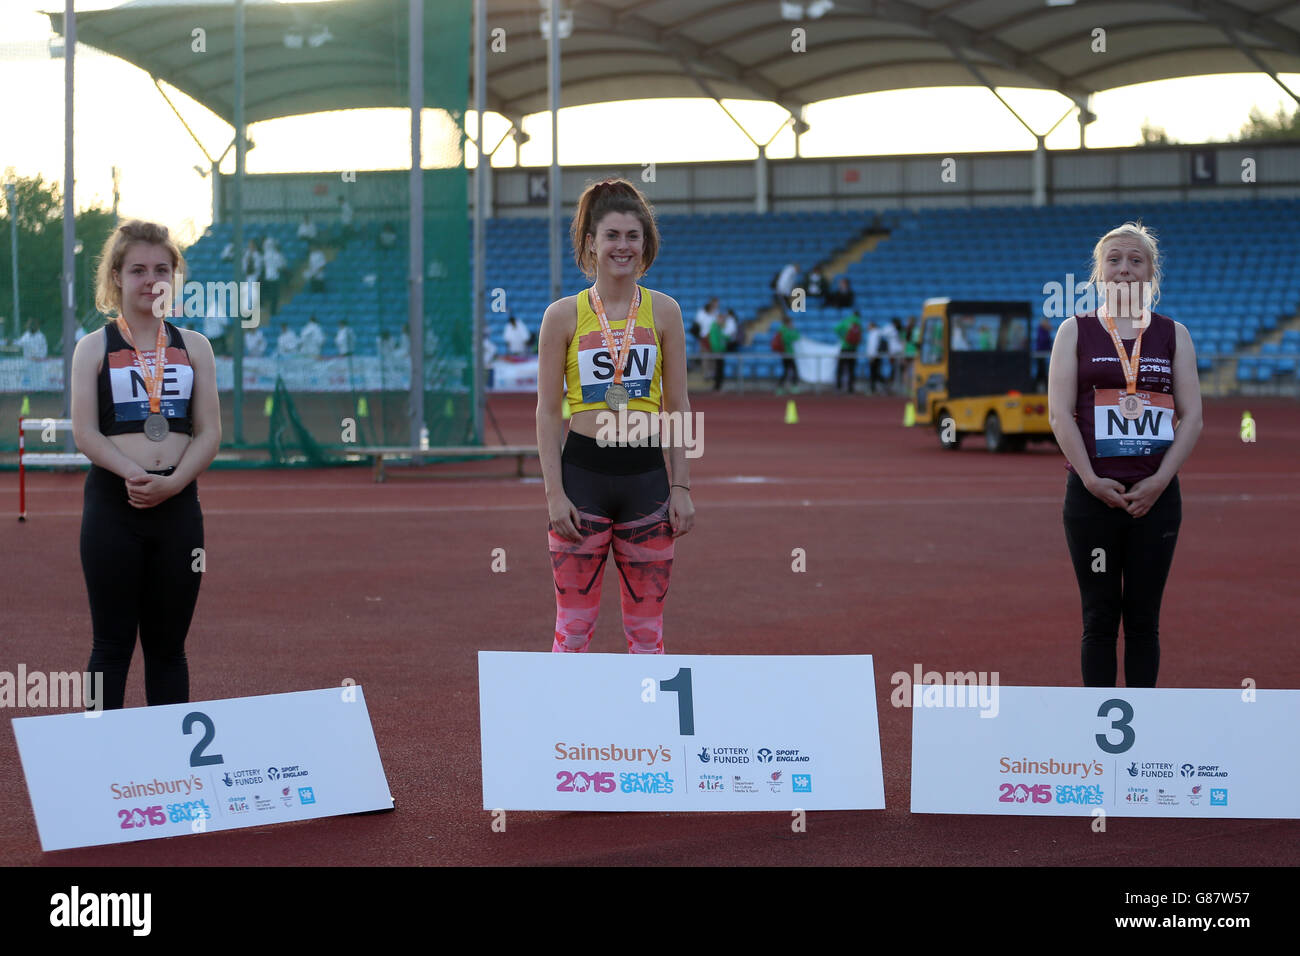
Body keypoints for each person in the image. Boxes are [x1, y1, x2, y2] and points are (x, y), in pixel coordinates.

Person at [536, 177, 693, 654]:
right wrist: (554, 495)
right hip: (582, 477)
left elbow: (678, 404)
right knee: (573, 630)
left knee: (647, 636)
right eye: (612, 236)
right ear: (591, 243)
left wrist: (682, 487)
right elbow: (546, 411)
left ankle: (645, 730)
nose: (622, 247)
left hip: (647, 480)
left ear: (646, 244)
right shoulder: (562, 316)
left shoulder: (665, 312)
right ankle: (563, 729)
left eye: (633, 236)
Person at [70, 220, 220, 710]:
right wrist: (131, 474)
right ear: (116, 276)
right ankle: (98, 762)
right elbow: (86, 432)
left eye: (161, 269)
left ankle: (171, 768)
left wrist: (174, 483)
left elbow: (210, 432)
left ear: (174, 275)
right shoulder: (93, 347)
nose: (150, 280)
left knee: (168, 650)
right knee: (110, 647)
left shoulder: (195, 346)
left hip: (178, 506)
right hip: (114, 504)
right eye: (137, 269)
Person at [1048, 221, 1202, 688]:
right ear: (1098, 272)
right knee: (1098, 620)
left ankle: (1143, 729)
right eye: (1114, 259)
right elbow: (1060, 415)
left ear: (1151, 273)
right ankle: (1099, 732)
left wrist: (1159, 482)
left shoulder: (1174, 335)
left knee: (1142, 621)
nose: (1124, 269)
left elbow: (1192, 417)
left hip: (1155, 499)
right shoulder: (1074, 332)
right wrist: (1092, 480)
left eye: (1136, 260)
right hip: (1092, 498)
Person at [834, 310, 863, 393]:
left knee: (840, 368)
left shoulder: (847, 320)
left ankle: (838, 386)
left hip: (845, 347)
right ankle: (850, 388)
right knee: (851, 369)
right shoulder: (859, 323)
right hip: (854, 348)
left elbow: (836, 328)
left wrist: (843, 337)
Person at [774, 313, 799, 394]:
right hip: (787, 353)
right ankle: (788, 387)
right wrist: (794, 330)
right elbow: (795, 337)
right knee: (792, 371)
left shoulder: (782, 330)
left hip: (786, 353)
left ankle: (781, 387)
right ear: (788, 323)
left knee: (787, 371)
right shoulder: (785, 330)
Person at [261, 236, 286, 318]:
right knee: (274, 295)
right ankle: (273, 311)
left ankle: (263, 306)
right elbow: (281, 267)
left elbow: (264, 265)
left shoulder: (266, 255)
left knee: (268, 294)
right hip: (274, 277)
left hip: (267, 276)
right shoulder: (277, 255)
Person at [1034, 317, 1053, 390]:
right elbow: (1043, 342)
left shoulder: (1044, 331)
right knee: (1041, 372)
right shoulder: (1041, 330)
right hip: (1040, 354)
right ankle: (1039, 387)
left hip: (1044, 354)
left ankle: (1043, 387)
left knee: (1042, 371)